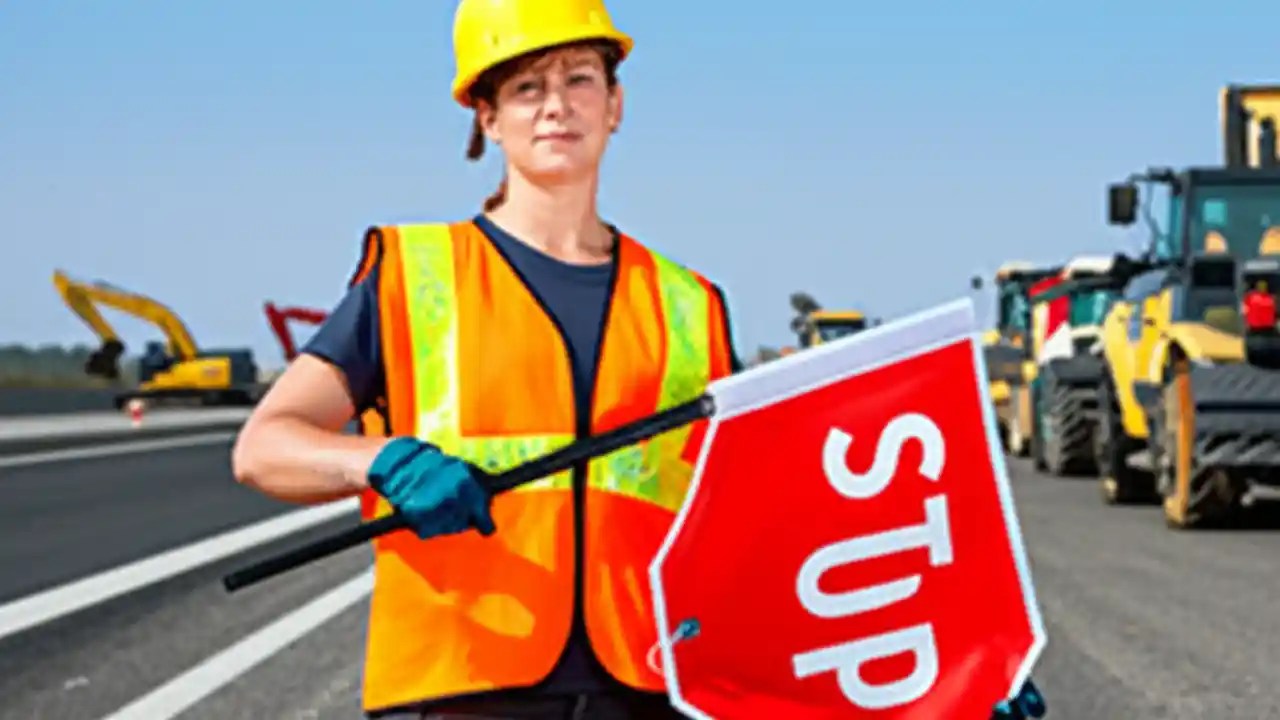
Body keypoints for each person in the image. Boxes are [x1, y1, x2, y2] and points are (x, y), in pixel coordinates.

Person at [230, 1, 1049, 718]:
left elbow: (771, 536)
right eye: (524, 87)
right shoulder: (414, 277)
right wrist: (384, 463)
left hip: (651, 688)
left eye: (579, 78)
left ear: (616, 103)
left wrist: (953, 678)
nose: (556, 106)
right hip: (464, 685)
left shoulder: (688, 305)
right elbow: (266, 446)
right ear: (486, 116)